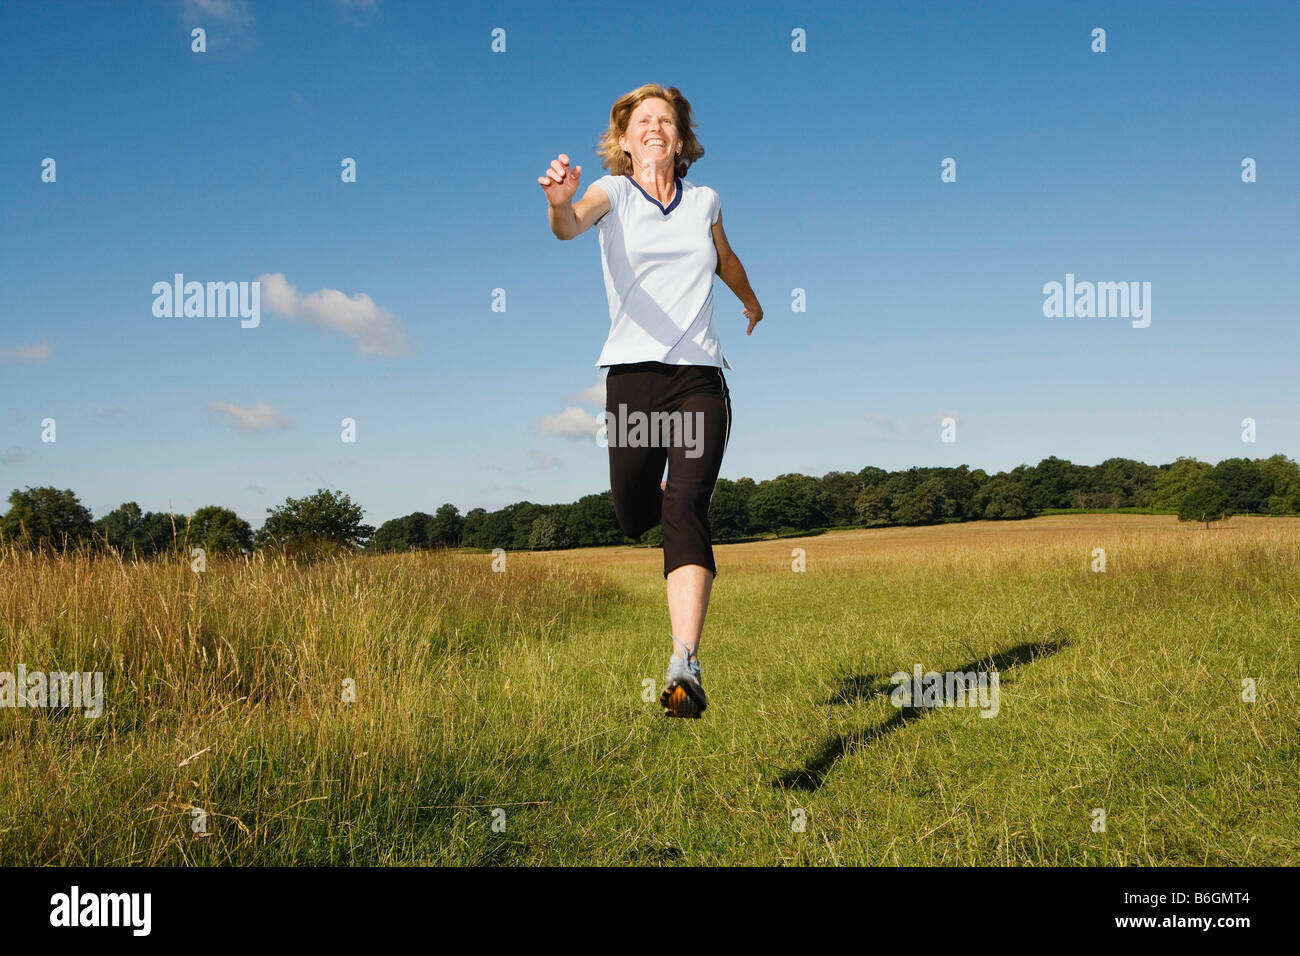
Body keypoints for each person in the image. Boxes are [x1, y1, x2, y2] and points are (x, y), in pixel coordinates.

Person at [539, 83, 762, 717]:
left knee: (687, 503)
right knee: (634, 511)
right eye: (644, 121)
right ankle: (651, 508)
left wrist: (751, 301)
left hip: (697, 377)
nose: (656, 128)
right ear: (625, 138)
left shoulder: (705, 201)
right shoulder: (611, 194)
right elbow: (568, 225)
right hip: (633, 380)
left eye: (667, 120)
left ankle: (684, 663)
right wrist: (558, 203)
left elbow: (726, 259)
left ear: (682, 139)